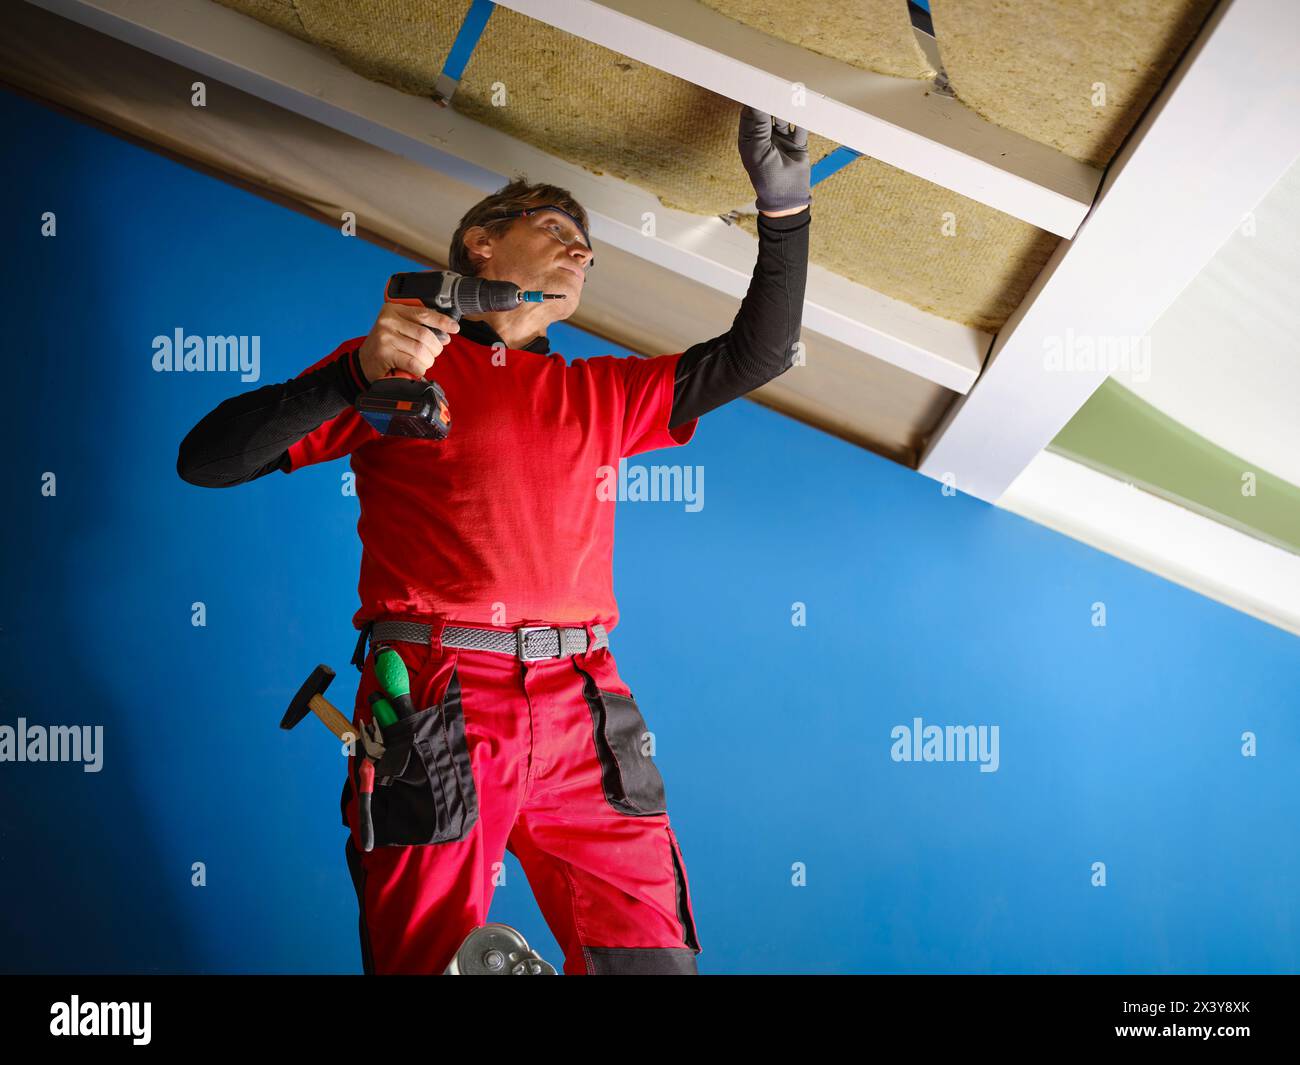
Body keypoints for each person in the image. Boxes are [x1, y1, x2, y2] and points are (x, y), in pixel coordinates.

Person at [177, 105, 811, 974]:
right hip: (434, 696)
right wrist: (354, 375)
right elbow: (207, 460)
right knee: (428, 961)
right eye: (558, 229)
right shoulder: (397, 371)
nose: (580, 252)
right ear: (480, 243)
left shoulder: (608, 391)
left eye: (588, 249)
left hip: (584, 696)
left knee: (652, 960)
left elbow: (761, 351)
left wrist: (785, 214)